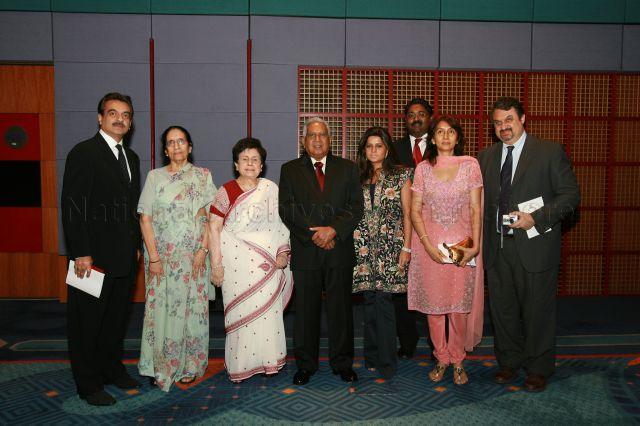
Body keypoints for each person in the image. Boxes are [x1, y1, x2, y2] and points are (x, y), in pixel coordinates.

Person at [479, 97, 580, 392]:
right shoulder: (486, 156)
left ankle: (538, 367)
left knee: (538, 310)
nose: (503, 127)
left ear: (523, 118)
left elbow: (570, 196)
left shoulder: (548, 152)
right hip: (497, 247)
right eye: (497, 122)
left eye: (509, 119)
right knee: (503, 309)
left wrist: (535, 218)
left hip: (535, 245)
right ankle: (508, 361)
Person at [61, 92, 141, 406]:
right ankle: (88, 382)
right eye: (113, 113)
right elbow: (72, 206)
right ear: (100, 118)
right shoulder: (84, 152)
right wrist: (80, 251)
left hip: (124, 257)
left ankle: (111, 369)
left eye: (125, 114)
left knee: (115, 320)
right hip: (90, 259)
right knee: (86, 323)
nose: (120, 119)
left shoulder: (131, 158)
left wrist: (135, 246)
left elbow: (131, 208)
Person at [279, 117, 364, 386]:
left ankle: (343, 363)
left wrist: (332, 231)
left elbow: (355, 206)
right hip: (306, 250)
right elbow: (287, 207)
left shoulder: (348, 169)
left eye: (323, 135)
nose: (317, 139)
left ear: (330, 139)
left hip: (338, 249)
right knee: (305, 313)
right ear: (304, 141)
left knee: (341, 311)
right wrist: (314, 234)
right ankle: (306, 365)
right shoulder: (290, 170)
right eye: (312, 135)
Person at [137, 126, 216, 392]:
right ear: (165, 150)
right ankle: (157, 363)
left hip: (193, 259)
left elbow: (210, 218)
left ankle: (190, 364)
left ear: (190, 146)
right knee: (160, 311)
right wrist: (155, 258)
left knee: (193, 311)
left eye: (181, 141)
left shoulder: (203, 177)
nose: (177, 147)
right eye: (171, 143)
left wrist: (202, 251)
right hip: (162, 260)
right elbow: (145, 218)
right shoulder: (154, 177)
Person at [209, 138, 293, 382]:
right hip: (236, 266)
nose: (249, 163)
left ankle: (270, 361)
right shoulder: (226, 191)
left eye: (255, 159)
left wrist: (282, 252)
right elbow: (214, 227)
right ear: (236, 164)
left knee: (268, 315)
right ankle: (240, 366)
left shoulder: (271, 189)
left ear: (262, 165)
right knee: (241, 315)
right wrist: (216, 265)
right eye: (244, 159)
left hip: (268, 264)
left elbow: (281, 225)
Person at [408, 115, 484, 385]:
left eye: (450, 131)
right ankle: (441, 358)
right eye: (439, 132)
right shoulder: (423, 169)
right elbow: (415, 210)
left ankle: (458, 360)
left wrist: (474, 246)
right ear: (433, 137)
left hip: (462, 248)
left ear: (457, 137)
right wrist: (427, 245)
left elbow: (476, 209)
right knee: (435, 310)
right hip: (430, 249)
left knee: (458, 309)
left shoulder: (470, 166)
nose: (445, 136)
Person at [352, 127, 413, 380]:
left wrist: (407, 247)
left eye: (379, 145)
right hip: (363, 250)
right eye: (369, 146)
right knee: (369, 304)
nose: (374, 150)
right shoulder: (356, 178)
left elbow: (409, 214)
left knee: (386, 305)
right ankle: (372, 357)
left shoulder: (402, 175)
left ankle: (388, 362)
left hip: (391, 250)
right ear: (364, 150)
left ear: (387, 149)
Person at [393, 97, 434, 359]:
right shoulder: (394, 148)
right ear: (405, 120)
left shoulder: (442, 144)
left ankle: (437, 344)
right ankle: (407, 342)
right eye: (410, 115)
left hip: (434, 228)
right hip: (402, 228)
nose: (415, 118)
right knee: (401, 290)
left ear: (430, 117)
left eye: (420, 114)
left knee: (433, 287)